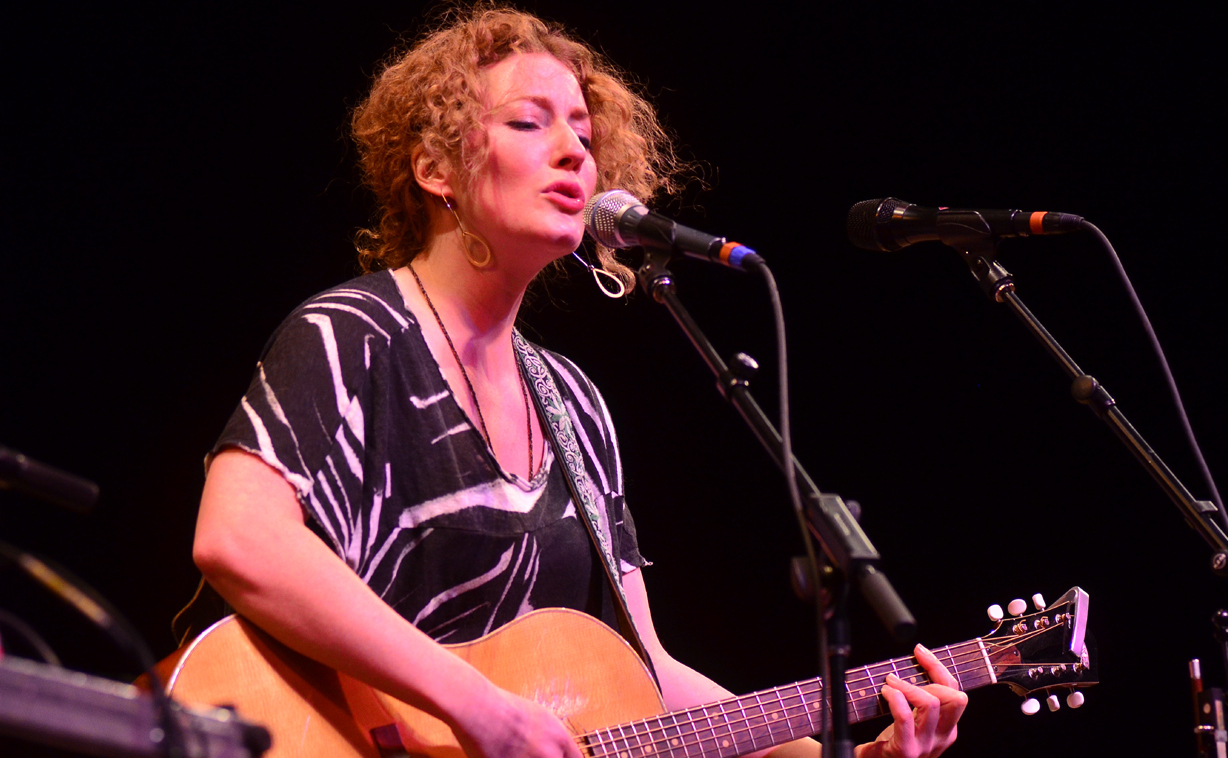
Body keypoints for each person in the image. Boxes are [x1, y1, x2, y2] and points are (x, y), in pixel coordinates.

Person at [191, 6, 967, 758]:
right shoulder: (355, 334)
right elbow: (238, 538)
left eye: (585, 135)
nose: (573, 153)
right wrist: (476, 705)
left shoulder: (572, 403)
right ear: (433, 168)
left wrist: (842, 756)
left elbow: (650, 677)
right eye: (530, 123)